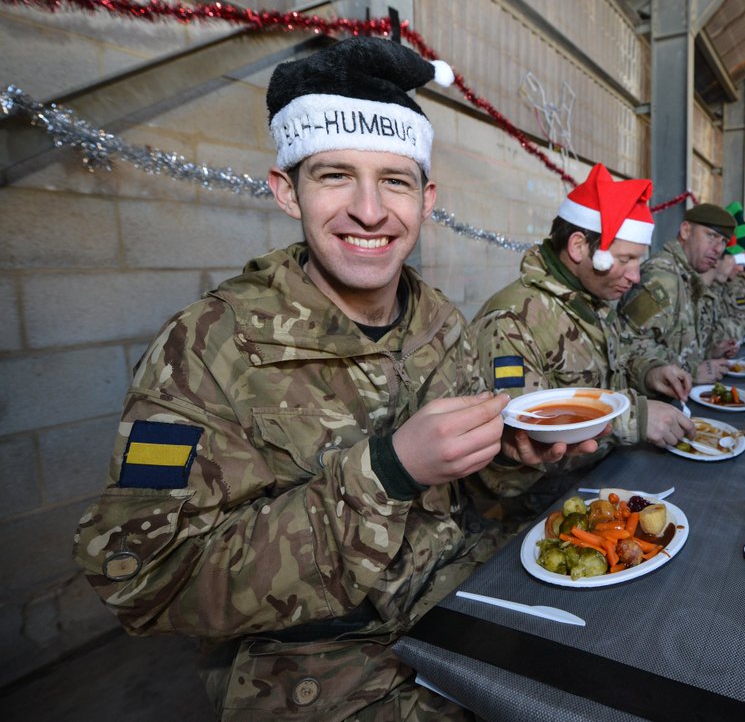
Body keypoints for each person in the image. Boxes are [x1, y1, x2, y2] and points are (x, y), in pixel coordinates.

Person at [72, 37, 597, 721]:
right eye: (335, 176)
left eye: (396, 180)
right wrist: (386, 471)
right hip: (320, 672)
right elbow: (143, 578)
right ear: (286, 191)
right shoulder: (207, 347)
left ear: (427, 198)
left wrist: (510, 458)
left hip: (463, 609)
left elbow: (470, 495)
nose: (371, 211)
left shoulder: (438, 320)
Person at [467, 163, 694, 525]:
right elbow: (524, 432)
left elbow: (611, 362)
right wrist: (636, 419)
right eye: (626, 260)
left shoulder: (591, 300)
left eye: (639, 261)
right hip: (540, 514)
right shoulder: (513, 322)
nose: (636, 277)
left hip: (598, 480)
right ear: (578, 247)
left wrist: (649, 371)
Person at [620, 203, 739, 385]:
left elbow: (674, 342)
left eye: (723, 241)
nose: (718, 249)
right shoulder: (662, 277)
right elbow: (629, 344)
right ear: (685, 231)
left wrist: (709, 352)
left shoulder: (687, 277)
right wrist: (692, 371)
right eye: (711, 236)